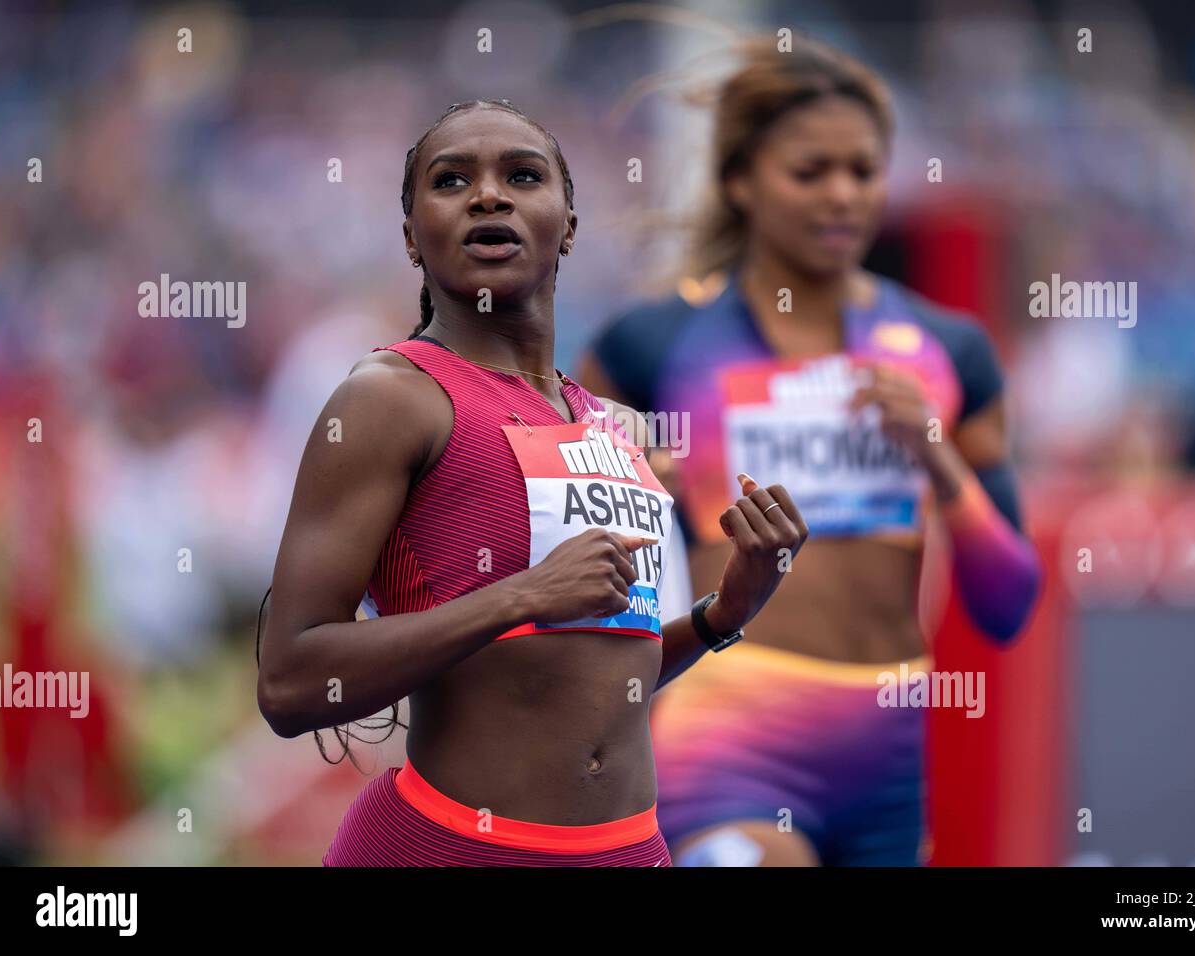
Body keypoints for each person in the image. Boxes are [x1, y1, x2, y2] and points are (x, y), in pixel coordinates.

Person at [255, 98, 807, 866]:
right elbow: (289, 686)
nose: (489, 195)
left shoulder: (622, 430)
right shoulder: (389, 399)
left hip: (628, 850)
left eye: (522, 175)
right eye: (451, 181)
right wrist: (519, 595)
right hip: (448, 847)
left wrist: (723, 614)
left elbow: (597, 680)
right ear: (412, 237)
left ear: (569, 224)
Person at [579, 39, 1041, 866]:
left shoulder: (949, 351)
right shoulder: (651, 343)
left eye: (863, 172)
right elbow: (559, 546)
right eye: (811, 171)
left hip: (888, 748)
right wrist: (638, 482)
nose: (842, 195)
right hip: (726, 727)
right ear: (739, 181)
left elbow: (1007, 605)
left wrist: (938, 459)